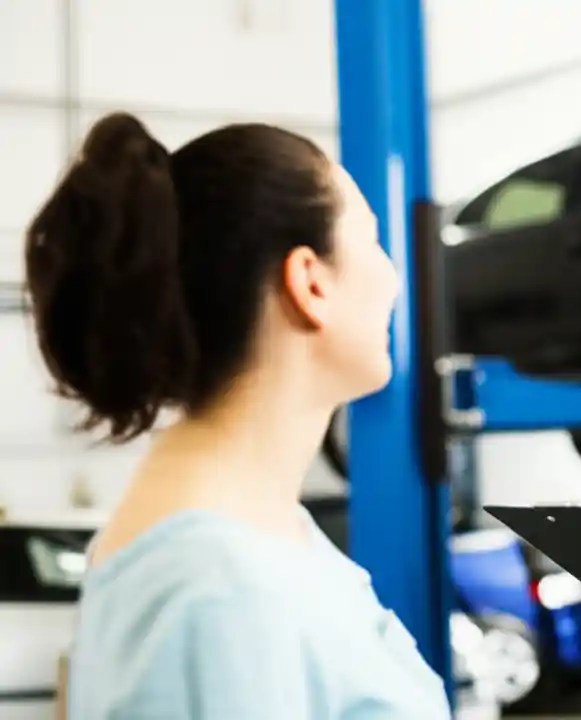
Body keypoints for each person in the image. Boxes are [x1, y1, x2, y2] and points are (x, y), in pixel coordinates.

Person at [25, 113, 451, 718]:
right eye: (372, 239)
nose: (391, 278)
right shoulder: (217, 588)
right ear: (310, 282)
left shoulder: (259, 536)